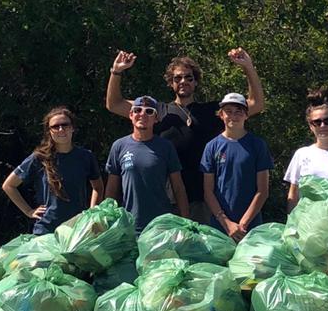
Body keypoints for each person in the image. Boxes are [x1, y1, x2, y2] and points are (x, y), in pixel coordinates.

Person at [106, 48, 265, 224]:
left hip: (205, 200)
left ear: (196, 82)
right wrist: (117, 71)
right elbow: (114, 104)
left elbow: (256, 104)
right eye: (177, 78)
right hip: (167, 202)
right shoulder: (156, 111)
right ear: (170, 83)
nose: (183, 81)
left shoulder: (212, 112)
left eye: (189, 77)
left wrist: (248, 67)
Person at [2, 106, 103, 235]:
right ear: (49, 131)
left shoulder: (86, 156)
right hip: (46, 231)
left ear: (73, 128)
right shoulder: (39, 158)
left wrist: (92, 212)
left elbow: (98, 187)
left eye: (65, 125)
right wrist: (28, 211)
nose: (61, 129)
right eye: (55, 126)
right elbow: (9, 185)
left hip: (78, 230)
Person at [105, 96, 191, 231]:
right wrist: (107, 219)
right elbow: (111, 190)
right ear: (131, 115)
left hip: (161, 227)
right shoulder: (119, 146)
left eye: (149, 111)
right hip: (129, 226)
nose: (142, 115)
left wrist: (186, 221)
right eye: (138, 110)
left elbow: (178, 187)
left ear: (156, 118)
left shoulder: (166, 146)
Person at [201, 92, 274, 241]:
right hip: (220, 227)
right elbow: (208, 191)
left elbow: (263, 190)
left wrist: (243, 225)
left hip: (250, 227)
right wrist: (226, 223)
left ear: (246, 115)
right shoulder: (211, 147)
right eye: (228, 111)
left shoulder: (258, 145)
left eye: (238, 111)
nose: (233, 115)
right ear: (221, 115)